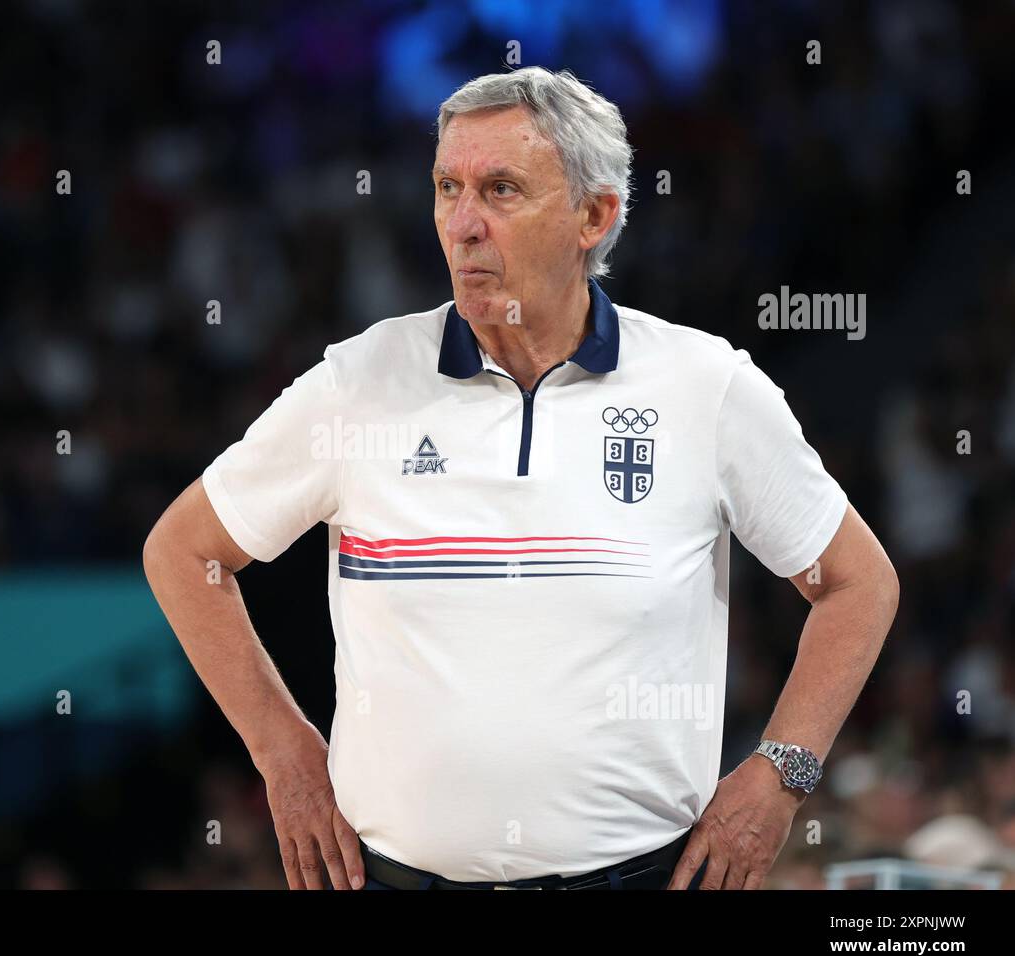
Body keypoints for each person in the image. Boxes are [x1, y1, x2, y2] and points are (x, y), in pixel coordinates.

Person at [143, 67, 899, 890]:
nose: (462, 224)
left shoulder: (704, 387)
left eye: (501, 190)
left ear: (594, 214)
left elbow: (857, 583)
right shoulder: (357, 384)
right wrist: (282, 752)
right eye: (446, 188)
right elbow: (185, 553)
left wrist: (779, 779)